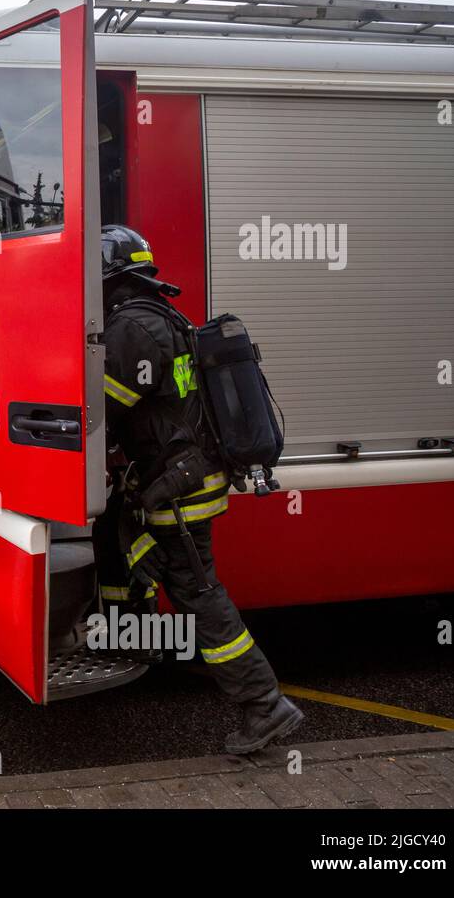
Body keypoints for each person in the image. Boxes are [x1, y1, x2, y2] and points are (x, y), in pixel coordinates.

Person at [98, 223, 304, 755]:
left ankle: (265, 707)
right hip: (185, 480)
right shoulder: (163, 316)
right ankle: (131, 648)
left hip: (178, 492)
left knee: (200, 595)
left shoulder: (132, 328)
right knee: (135, 557)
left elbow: (101, 412)